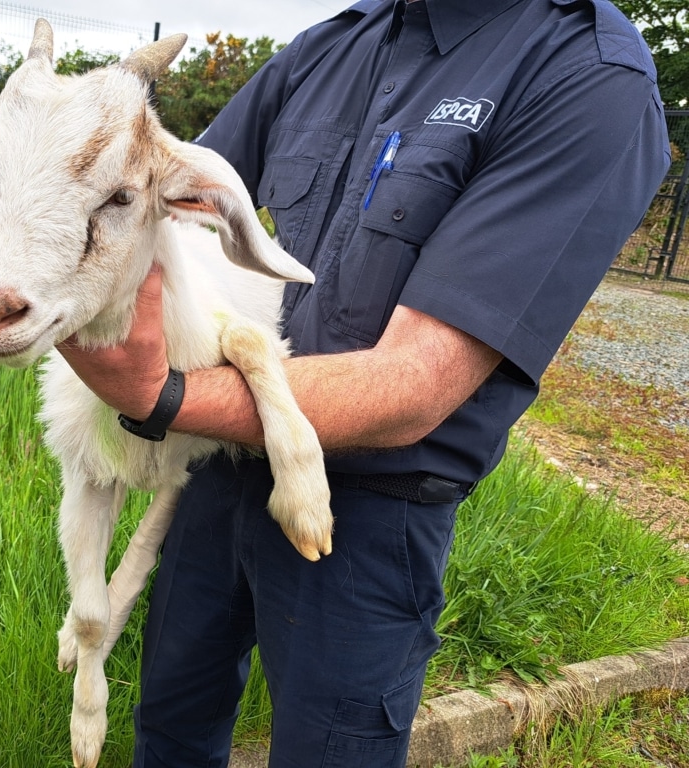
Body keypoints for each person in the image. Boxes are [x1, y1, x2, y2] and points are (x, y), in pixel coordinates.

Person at [58, 0, 671, 765]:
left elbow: (415, 382)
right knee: (171, 733)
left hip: (367, 516)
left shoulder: (585, 74)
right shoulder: (330, 46)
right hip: (212, 471)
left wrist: (162, 396)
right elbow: (165, 206)